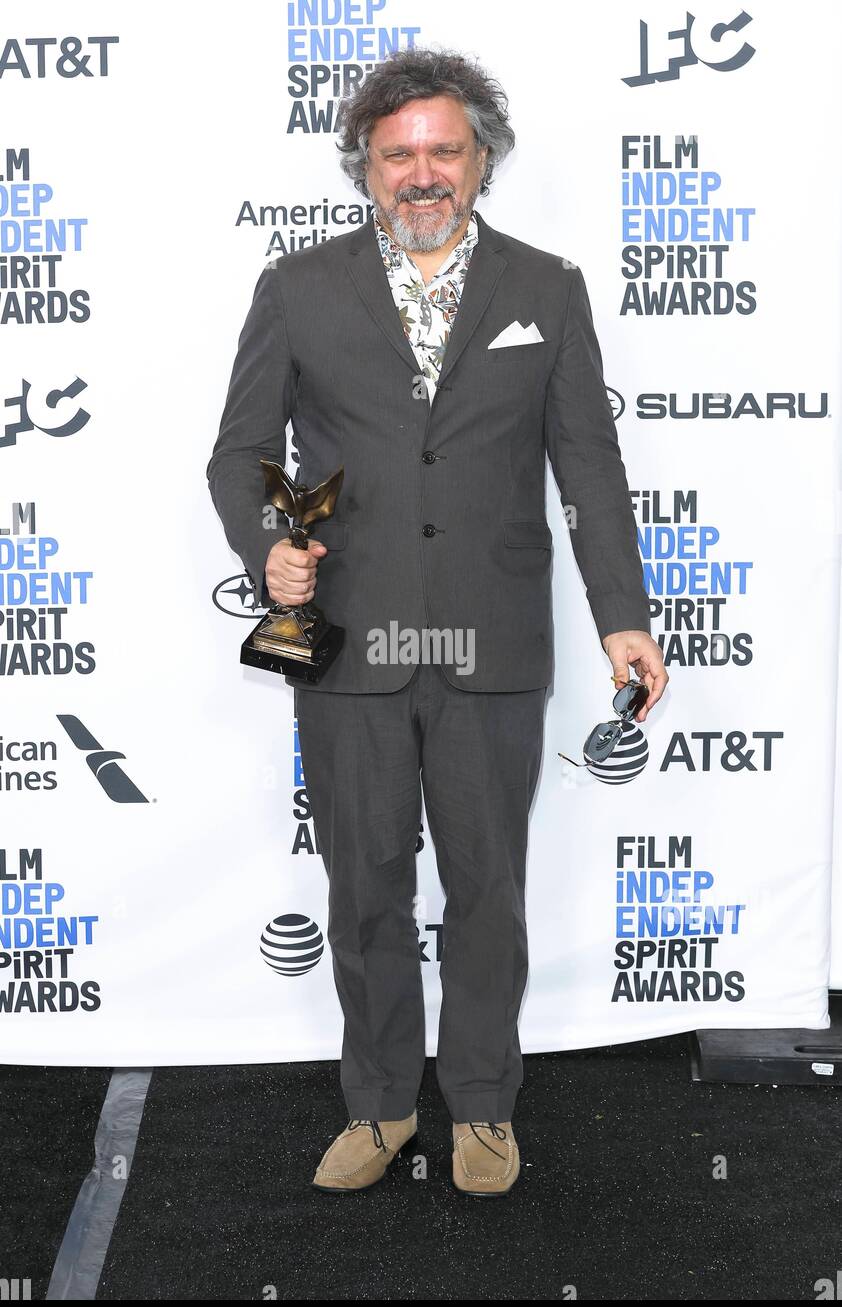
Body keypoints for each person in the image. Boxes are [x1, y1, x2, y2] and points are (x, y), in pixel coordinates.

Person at [207, 47, 668, 1198]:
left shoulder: (545, 288)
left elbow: (589, 470)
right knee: (362, 885)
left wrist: (623, 615)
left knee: (486, 888)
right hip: (349, 646)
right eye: (398, 153)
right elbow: (241, 452)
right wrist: (269, 546)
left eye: (443, 151)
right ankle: (377, 1105)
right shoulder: (297, 287)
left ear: (480, 163)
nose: (422, 173)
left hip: (493, 644)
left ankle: (481, 1107)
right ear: (364, 166)